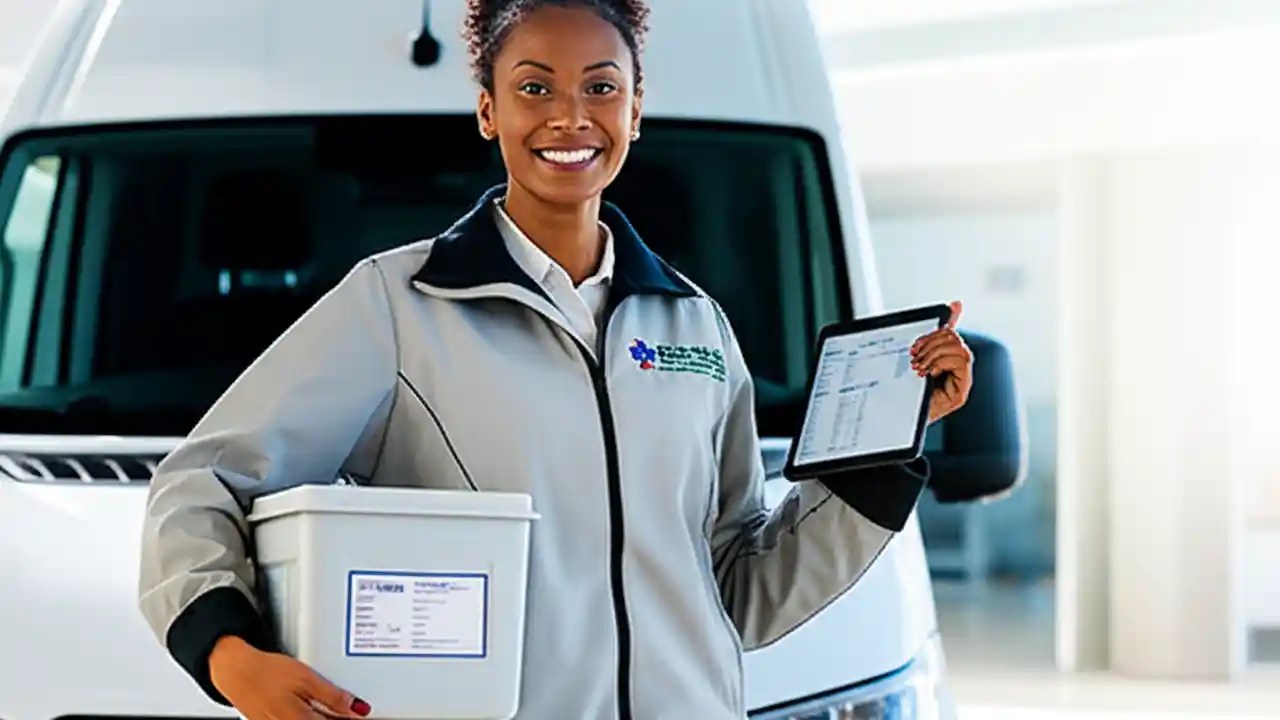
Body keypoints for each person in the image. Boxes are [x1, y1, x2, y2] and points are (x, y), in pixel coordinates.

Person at [135, 1, 976, 718]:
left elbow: (736, 591)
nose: (569, 116)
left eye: (600, 88)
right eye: (534, 87)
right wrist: (230, 657)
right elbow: (201, 480)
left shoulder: (697, 329)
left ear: (635, 110)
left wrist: (885, 450)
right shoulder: (398, 306)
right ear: (489, 110)